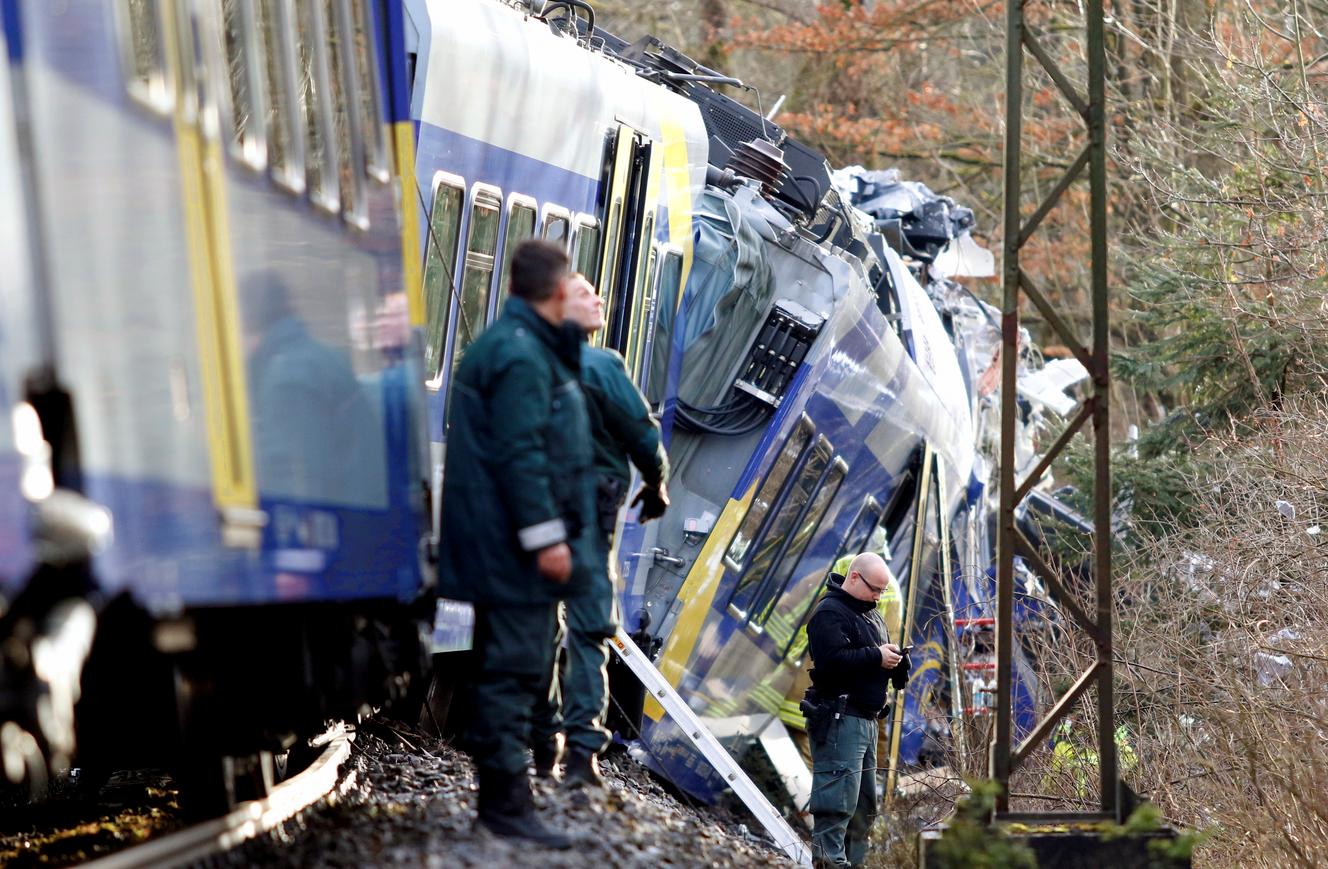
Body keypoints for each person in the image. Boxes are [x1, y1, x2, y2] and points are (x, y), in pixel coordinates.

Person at [436, 240, 597, 848]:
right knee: (512, 672)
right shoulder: (522, 356)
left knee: (511, 670)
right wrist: (547, 538)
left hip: (502, 545)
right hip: (510, 552)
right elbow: (521, 454)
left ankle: (504, 803)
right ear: (556, 291)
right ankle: (504, 807)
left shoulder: (519, 345)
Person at [530, 275, 669, 787]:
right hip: (589, 512)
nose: (599, 299)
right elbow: (643, 435)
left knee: (539, 625)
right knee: (589, 627)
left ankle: (543, 737)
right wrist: (656, 483)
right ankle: (582, 752)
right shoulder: (601, 365)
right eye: (586, 295)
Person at [802, 552, 909, 868]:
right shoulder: (829, 613)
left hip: (867, 720)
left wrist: (897, 664)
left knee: (863, 807)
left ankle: (854, 863)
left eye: (882, 591)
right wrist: (876, 656)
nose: (878, 597)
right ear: (853, 577)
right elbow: (831, 662)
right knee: (836, 802)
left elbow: (871, 661)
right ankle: (829, 862)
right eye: (874, 589)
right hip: (840, 718)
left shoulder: (871, 615)